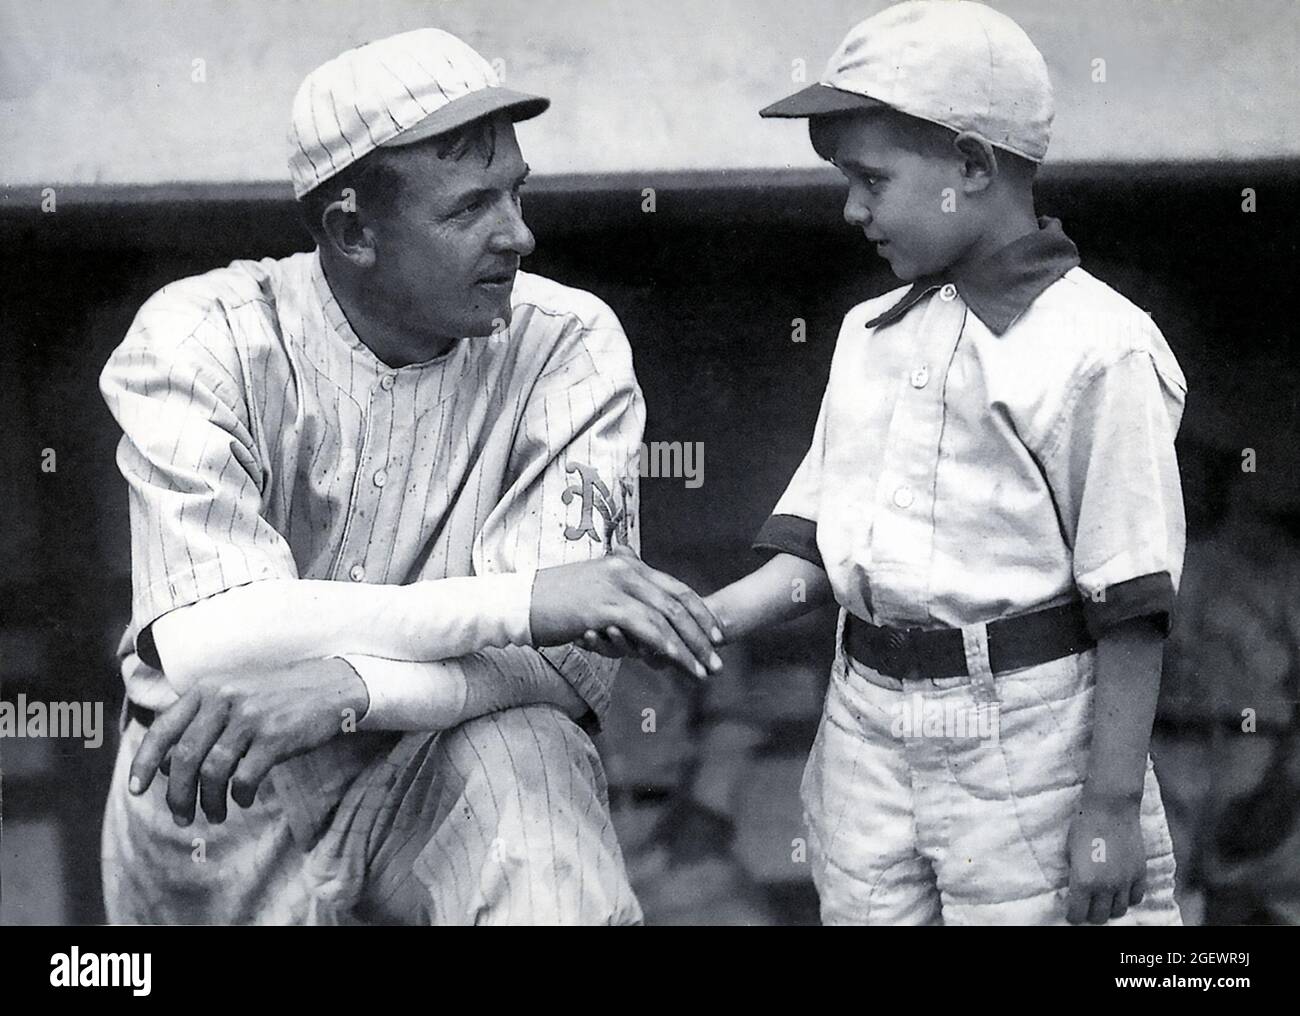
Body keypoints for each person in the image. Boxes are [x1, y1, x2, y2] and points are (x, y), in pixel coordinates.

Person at [98, 27, 723, 926]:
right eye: (471, 208)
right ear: (353, 231)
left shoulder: (568, 342)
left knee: (534, 752)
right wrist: (526, 600)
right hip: (220, 790)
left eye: (517, 192)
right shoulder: (203, 333)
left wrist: (353, 690)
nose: (520, 234)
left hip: (438, 766)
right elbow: (212, 644)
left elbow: (570, 663)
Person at [587, 0, 1186, 925]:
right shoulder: (869, 332)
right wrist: (698, 622)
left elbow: (1132, 606)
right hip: (867, 718)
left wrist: (1107, 806)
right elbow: (818, 555)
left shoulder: (1100, 347)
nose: (851, 208)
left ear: (973, 166)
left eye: (871, 178)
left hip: (1030, 735)